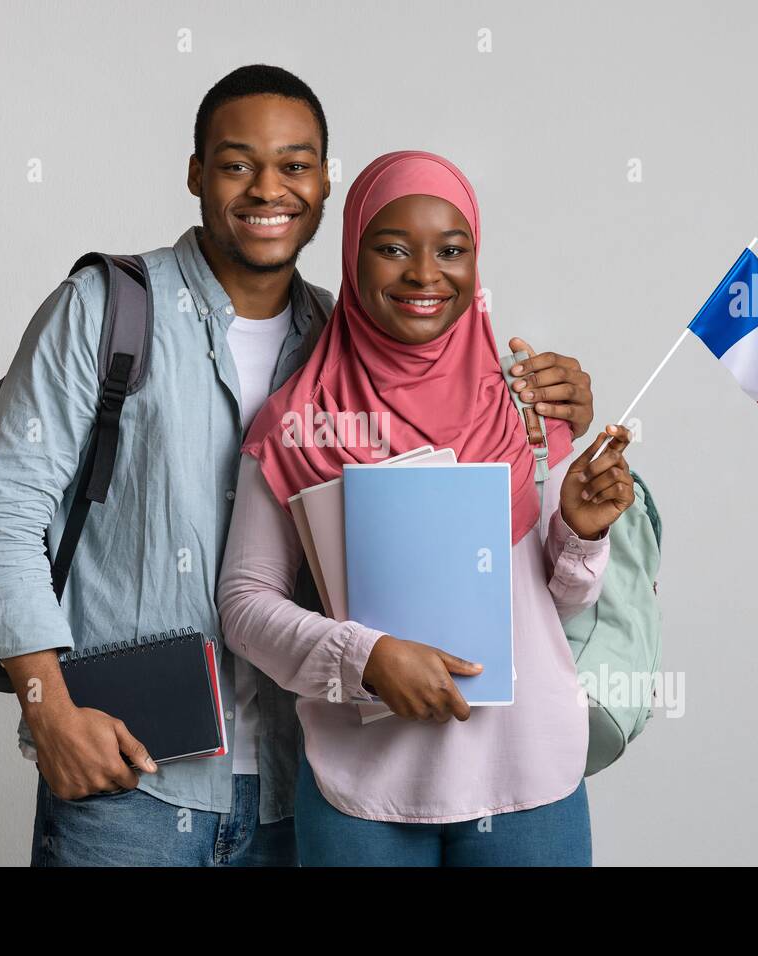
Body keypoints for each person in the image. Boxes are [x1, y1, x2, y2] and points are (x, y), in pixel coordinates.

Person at [0, 64, 597, 866]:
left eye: (295, 166)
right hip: (134, 774)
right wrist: (49, 713)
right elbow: (4, 516)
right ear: (196, 173)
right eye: (237, 163)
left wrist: (555, 414)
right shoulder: (105, 308)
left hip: (297, 789)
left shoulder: (348, 341)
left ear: (326, 186)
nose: (269, 189)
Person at [217, 150, 634, 866]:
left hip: (528, 778)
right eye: (392, 248)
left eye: (451, 249)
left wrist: (582, 532)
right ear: (352, 257)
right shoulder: (297, 419)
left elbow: (563, 601)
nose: (423, 274)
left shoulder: (531, 406)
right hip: (363, 794)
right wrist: (365, 656)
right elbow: (244, 606)